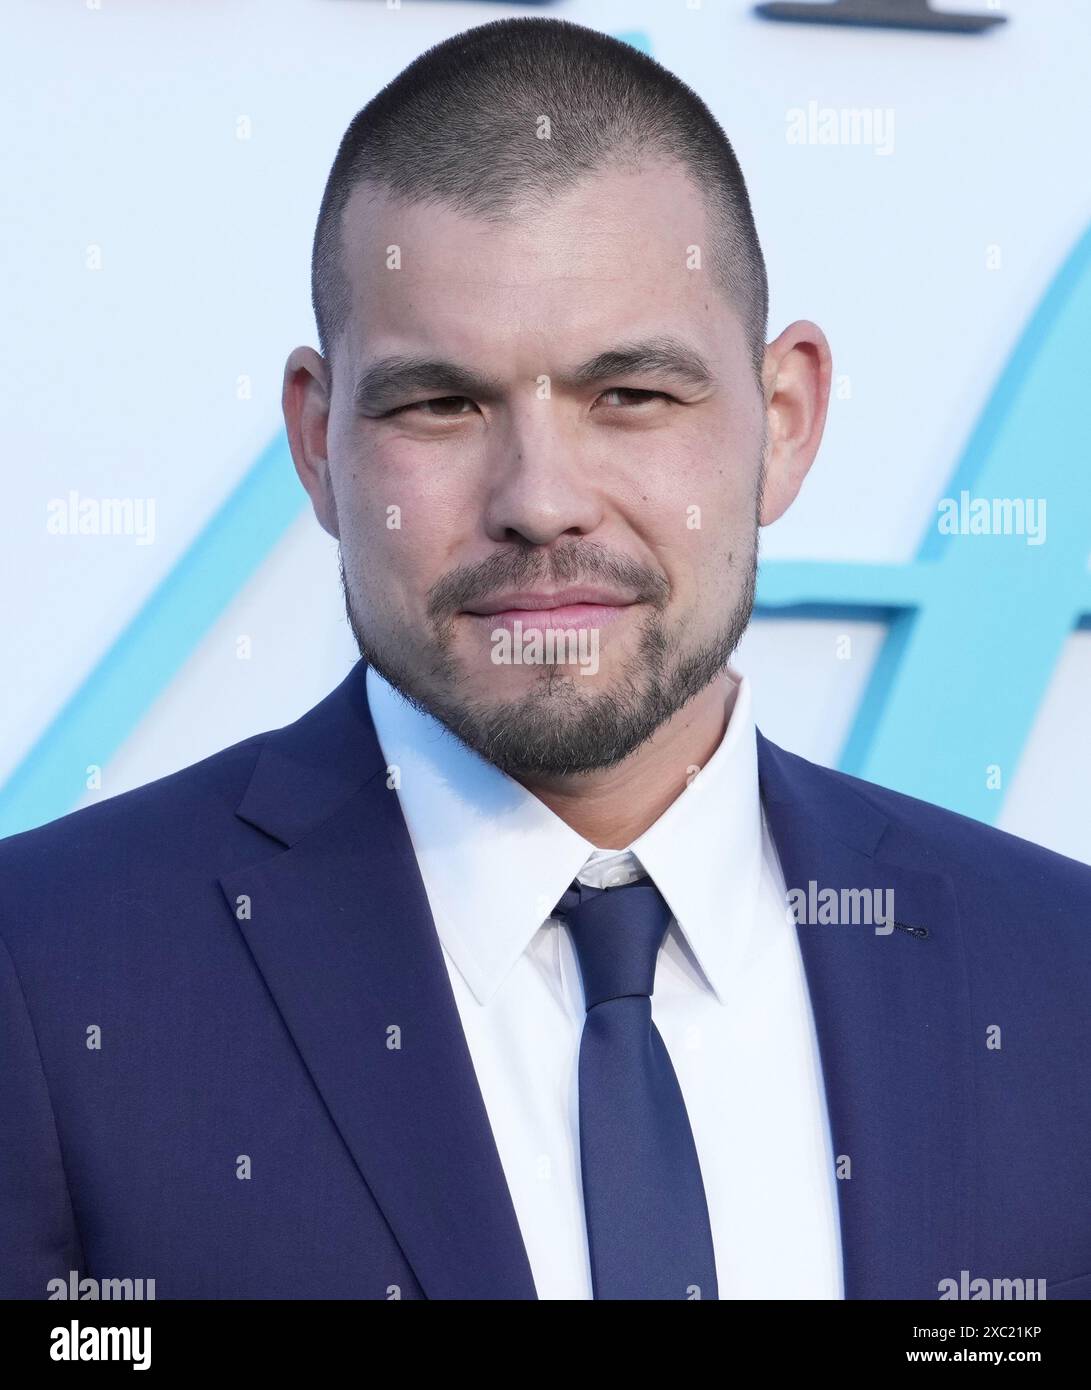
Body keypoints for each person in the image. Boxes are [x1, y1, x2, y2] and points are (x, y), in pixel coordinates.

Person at [2, 16, 1089, 1302]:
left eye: (629, 394)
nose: (541, 498)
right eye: (440, 403)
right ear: (316, 441)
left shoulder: (1054, 975)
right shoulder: (47, 973)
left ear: (783, 421)